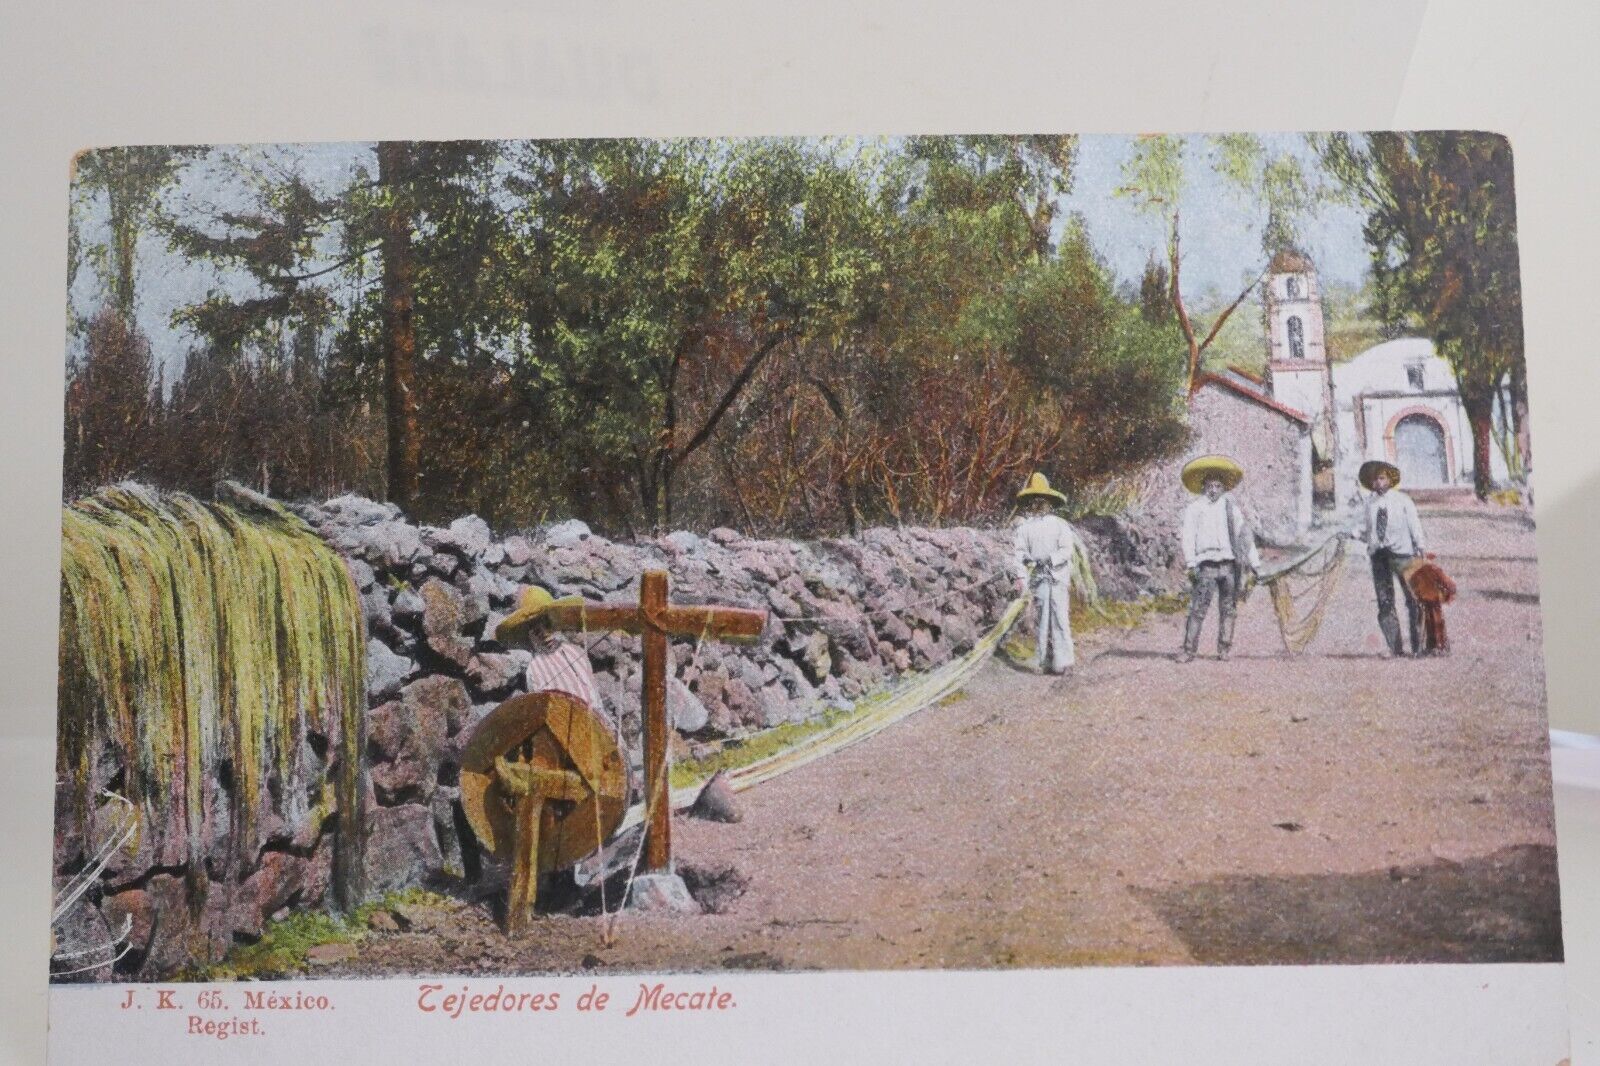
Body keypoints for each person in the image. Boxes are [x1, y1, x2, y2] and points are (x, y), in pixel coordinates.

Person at [1177, 455, 1262, 663]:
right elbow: (1188, 536)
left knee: (1228, 609)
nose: (1214, 489)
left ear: (1224, 488)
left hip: (1229, 567)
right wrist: (1191, 563)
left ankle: (1224, 648)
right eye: (1210, 485)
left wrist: (1255, 564)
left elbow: (1244, 538)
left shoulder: (1232, 509)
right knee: (1198, 609)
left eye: (1218, 485)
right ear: (1203, 486)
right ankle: (1189, 650)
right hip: (1206, 566)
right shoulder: (1194, 509)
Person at [1012, 472, 1083, 677]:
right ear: (1030, 503)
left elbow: (1066, 550)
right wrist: (1022, 575)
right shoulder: (1024, 528)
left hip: (1058, 576)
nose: (1038, 504)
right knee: (1042, 619)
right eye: (1035, 501)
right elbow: (1019, 554)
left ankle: (1064, 661)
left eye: (1042, 501)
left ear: (1049, 502)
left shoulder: (1060, 525)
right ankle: (1042, 660)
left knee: (1060, 617)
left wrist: (1050, 559)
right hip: (1039, 579)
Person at [494, 585, 607, 711]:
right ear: (530, 639)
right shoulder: (534, 669)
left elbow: (593, 693)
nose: (546, 637)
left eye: (548, 626)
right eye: (537, 633)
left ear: (557, 625)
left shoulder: (575, 651)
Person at [1356, 459, 1427, 657]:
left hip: (1402, 554)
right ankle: (1395, 647)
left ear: (1389, 479)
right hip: (1379, 556)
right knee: (1385, 601)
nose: (1378, 483)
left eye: (1381, 478)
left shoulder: (1402, 500)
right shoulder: (1369, 503)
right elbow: (1368, 530)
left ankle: (1418, 646)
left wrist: (1420, 545)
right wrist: (1355, 534)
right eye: (1374, 480)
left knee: (1413, 599)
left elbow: (1414, 524)